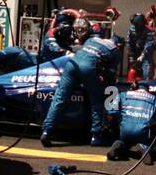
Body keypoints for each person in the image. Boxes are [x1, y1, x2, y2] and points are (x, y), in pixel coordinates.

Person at [40, 17, 121, 146]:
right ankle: (96, 136)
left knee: (59, 98)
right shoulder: (114, 49)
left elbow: (77, 51)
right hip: (88, 68)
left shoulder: (91, 40)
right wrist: (102, 82)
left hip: (71, 65)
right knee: (96, 102)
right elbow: (110, 74)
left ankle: (46, 131)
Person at [107, 85, 156, 162]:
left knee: (126, 142)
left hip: (125, 131)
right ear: (148, 90)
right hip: (143, 133)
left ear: (134, 87)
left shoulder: (123, 94)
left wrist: (114, 129)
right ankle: (146, 148)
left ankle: (120, 144)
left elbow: (110, 114)